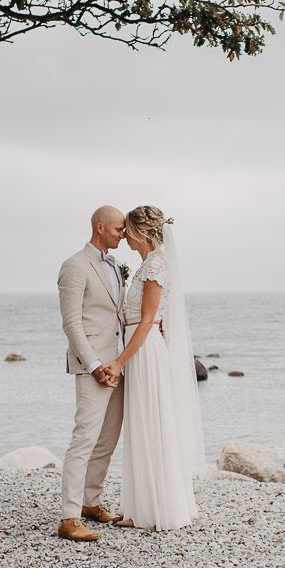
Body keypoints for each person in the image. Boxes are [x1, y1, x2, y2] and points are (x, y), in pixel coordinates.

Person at [100, 205, 204, 531]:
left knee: (150, 423)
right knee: (140, 424)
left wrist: (120, 361)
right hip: (141, 346)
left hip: (144, 352)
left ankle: (157, 509)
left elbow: (147, 321)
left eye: (128, 230)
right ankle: (140, 506)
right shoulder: (147, 264)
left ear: (141, 231)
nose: (125, 236)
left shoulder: (156, 266)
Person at [55, 205, 127, 542]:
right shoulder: (74, 266)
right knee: (84, 439)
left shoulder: (113, 265)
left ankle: (90, 502)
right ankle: (69, 516)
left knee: (107, 440)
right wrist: (95, 365)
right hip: (92, 367)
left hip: (118, 365)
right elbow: (72, 323)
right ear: (100, 227)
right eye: (118, 230)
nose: (123, 235)